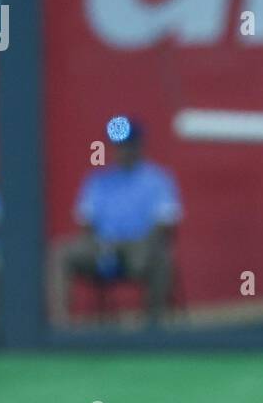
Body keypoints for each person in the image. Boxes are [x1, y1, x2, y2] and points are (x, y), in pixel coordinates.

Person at [48, 120, 181, 326]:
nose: (122, 151)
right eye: (118, 145)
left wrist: (138, 243)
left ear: (138, 145)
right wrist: (101, 243)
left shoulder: (158, 180)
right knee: (60, 252)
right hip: (104, 247)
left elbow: (165, 224)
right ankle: (61, 327)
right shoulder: (98, 180)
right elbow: (86, 220)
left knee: (160, 256)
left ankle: (152, 326)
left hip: (139, 248)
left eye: (127, 145)